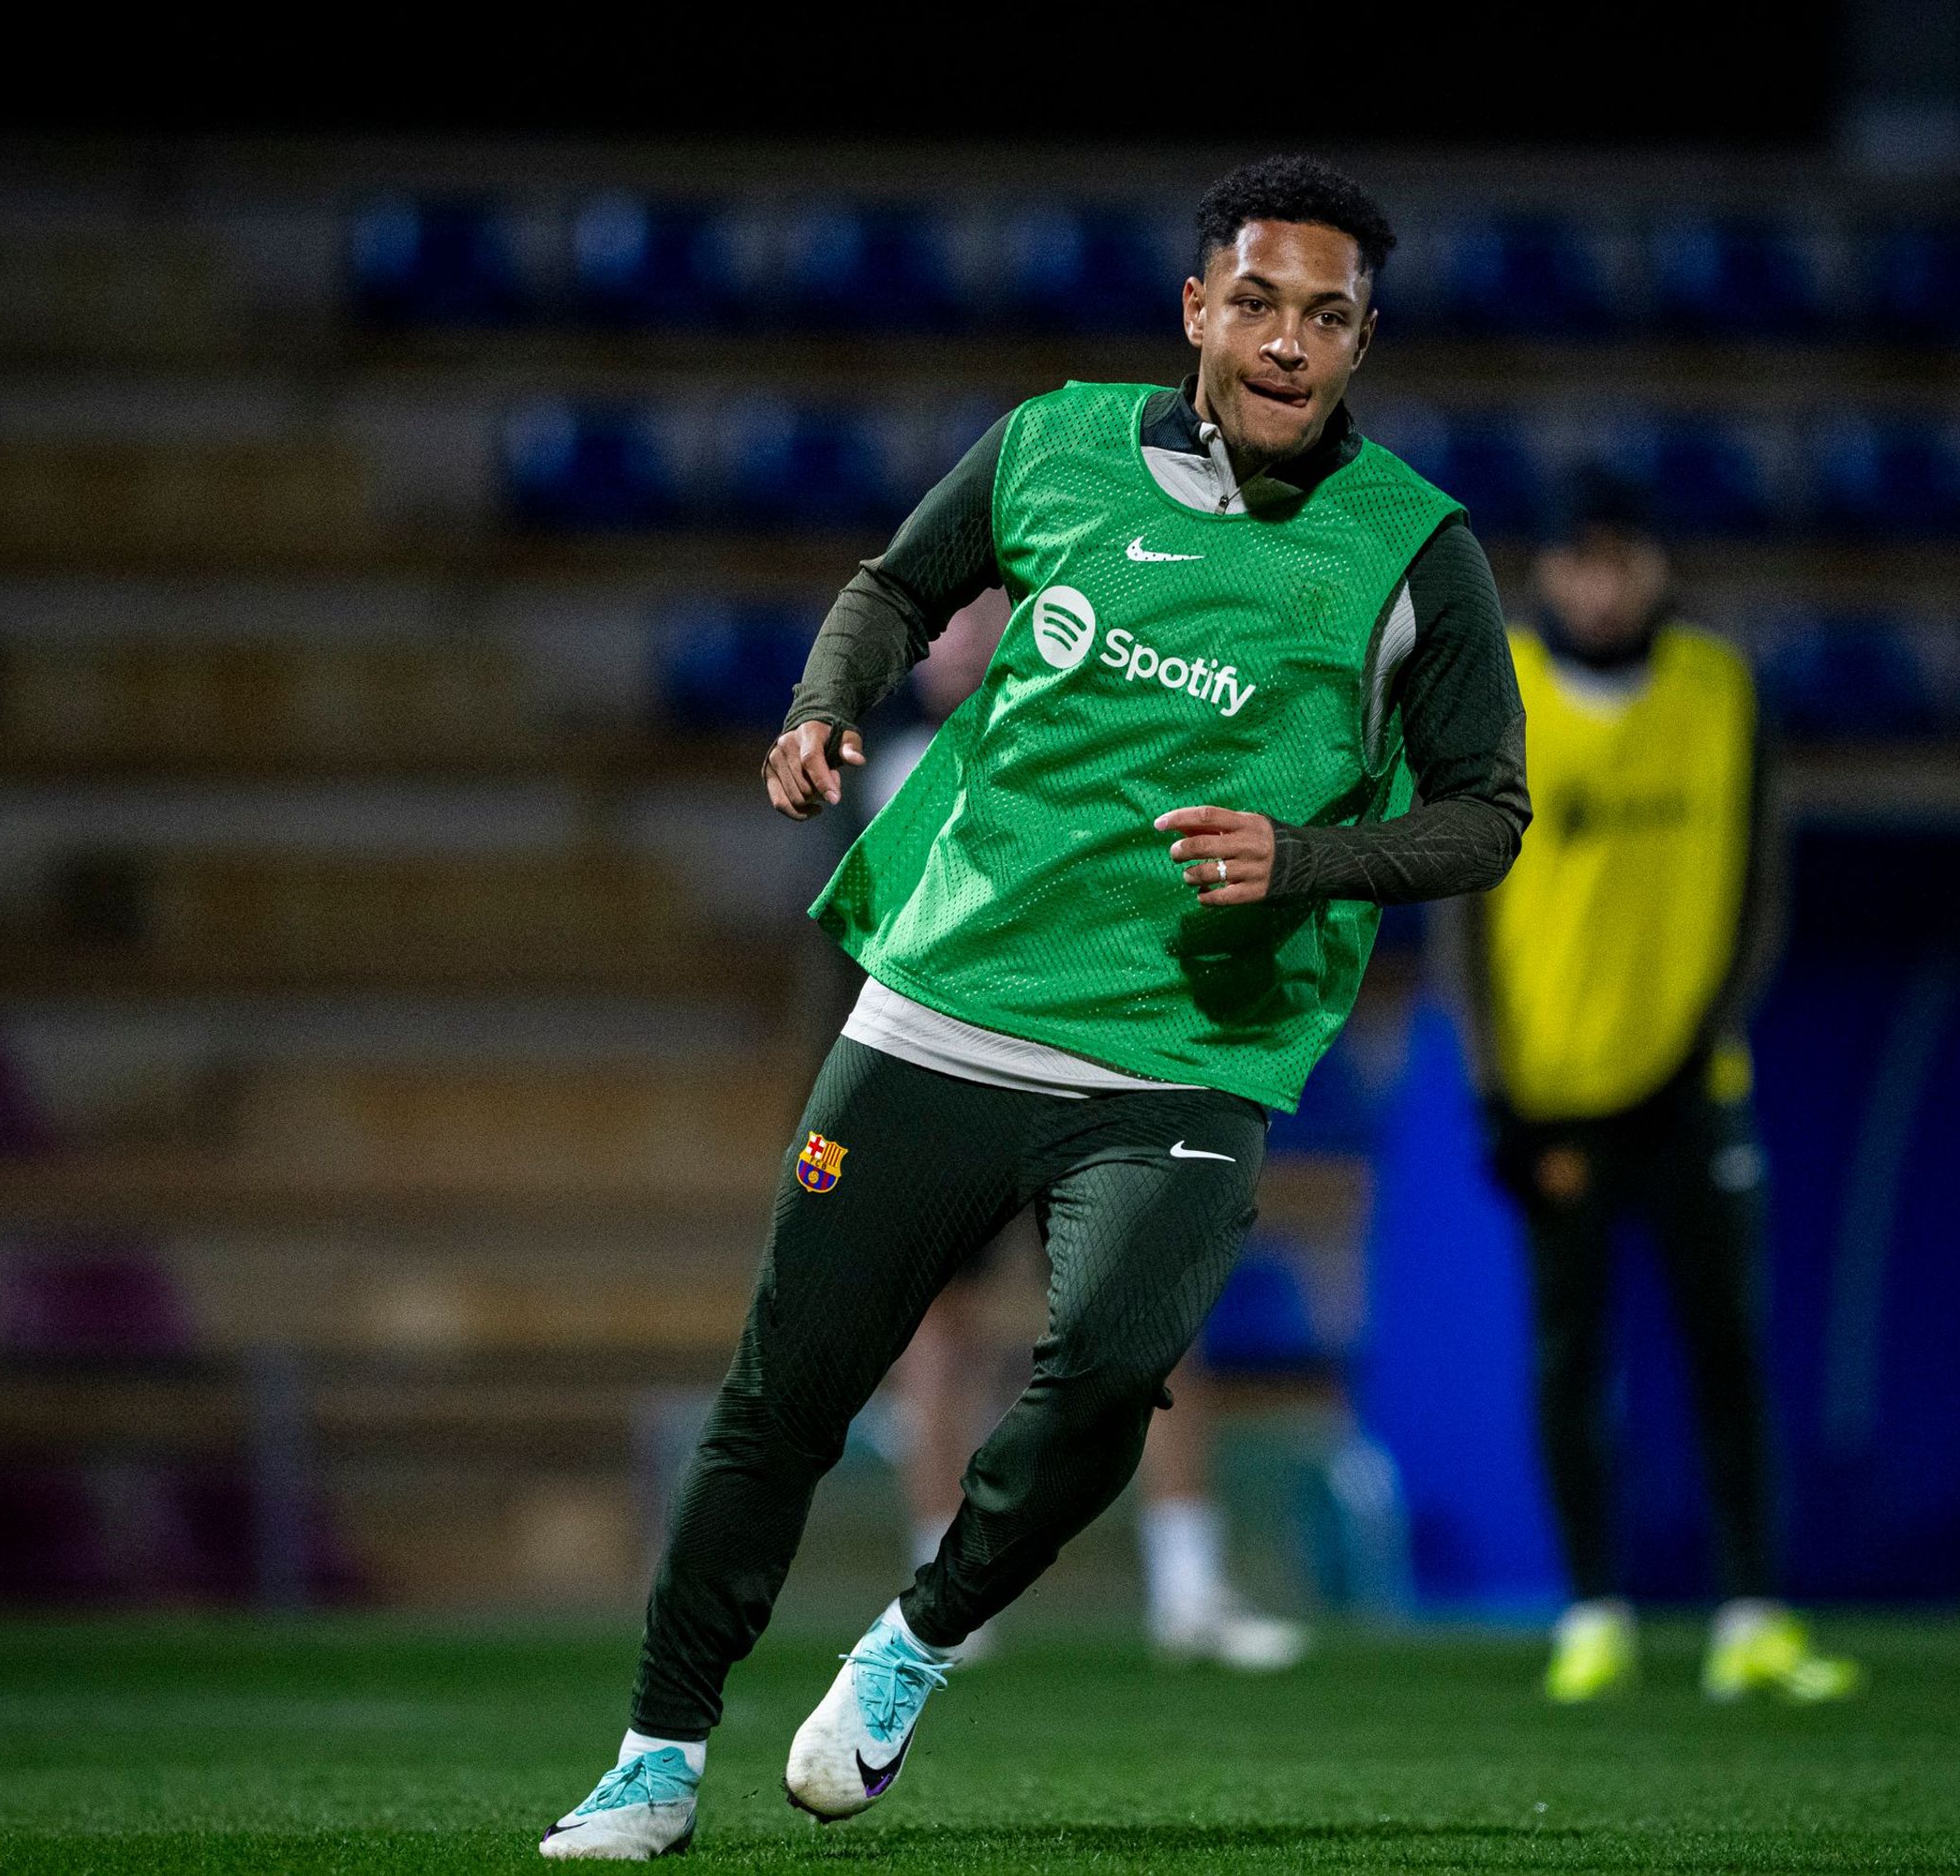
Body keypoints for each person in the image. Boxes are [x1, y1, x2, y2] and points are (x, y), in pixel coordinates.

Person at [543, 155, 1528, 1859]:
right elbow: (892, 589)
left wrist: (1306, 858)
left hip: (1183, 1051)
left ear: (1368, 337)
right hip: (940, 1008)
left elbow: (1487, 811)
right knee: (781, 1396)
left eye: (1331, 315)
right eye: (1261, 301)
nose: (1290, 342)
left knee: (1114, 1369)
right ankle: (656, 1756)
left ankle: (913, 1645)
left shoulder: (1418, 557)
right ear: (1197, 309)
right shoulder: (1053, 443)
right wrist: (822, 706)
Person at [1454, 481, 1855, 1705]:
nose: (1599, 585)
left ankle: (1751, 1617)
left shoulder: (1720, 690)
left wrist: (1709, 1031)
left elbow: (1760, 881)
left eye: (1620, 559)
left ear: (1658, 567)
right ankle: (1593, 1613)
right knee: (1572, 1360)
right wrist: (1497, 1096)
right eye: (1580, 562)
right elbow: (1465, 910)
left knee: (1726, 1352)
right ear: (1551, 574)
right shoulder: (1498, 695)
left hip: (1691, 1085)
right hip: (1557, 1094)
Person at [870, 594, 1308, 1673]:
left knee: (1151, 1319)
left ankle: (1189, 1585)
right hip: (944, 1084)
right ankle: (940, 1599)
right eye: (940, 627)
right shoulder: (899, 771)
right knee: (938, 1338)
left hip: (1094, 1076)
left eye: (978, 623)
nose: (949, 645)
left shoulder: (1098, 738)